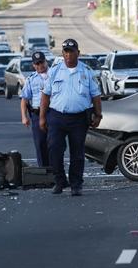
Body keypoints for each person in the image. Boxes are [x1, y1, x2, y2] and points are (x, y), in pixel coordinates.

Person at [39, 38, 102, 196]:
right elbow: (45, 96)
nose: (68, 55)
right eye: (65, 52)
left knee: (77, 153)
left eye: (71, 52)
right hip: (57, 116)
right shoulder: (54, 71)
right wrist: (42, 117)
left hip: (79, 118)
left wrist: (98, 115)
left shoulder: (87, 72)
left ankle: (76, 184)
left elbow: (96, 96)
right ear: (62, 53)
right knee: (54, 149)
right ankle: (60, 181)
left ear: (78, 53)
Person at [19, 51, 51, 167]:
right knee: (40, 144)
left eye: (41, 62)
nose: (40, 66)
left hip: (53, 113)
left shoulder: (55, 75)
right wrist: (24, 116)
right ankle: (44, 173)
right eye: (37, 64)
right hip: (37, 114)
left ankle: (56, 172)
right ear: (33, 65)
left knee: (55, 144)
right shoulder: (31, 79)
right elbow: (24, 99)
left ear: (45, 61)